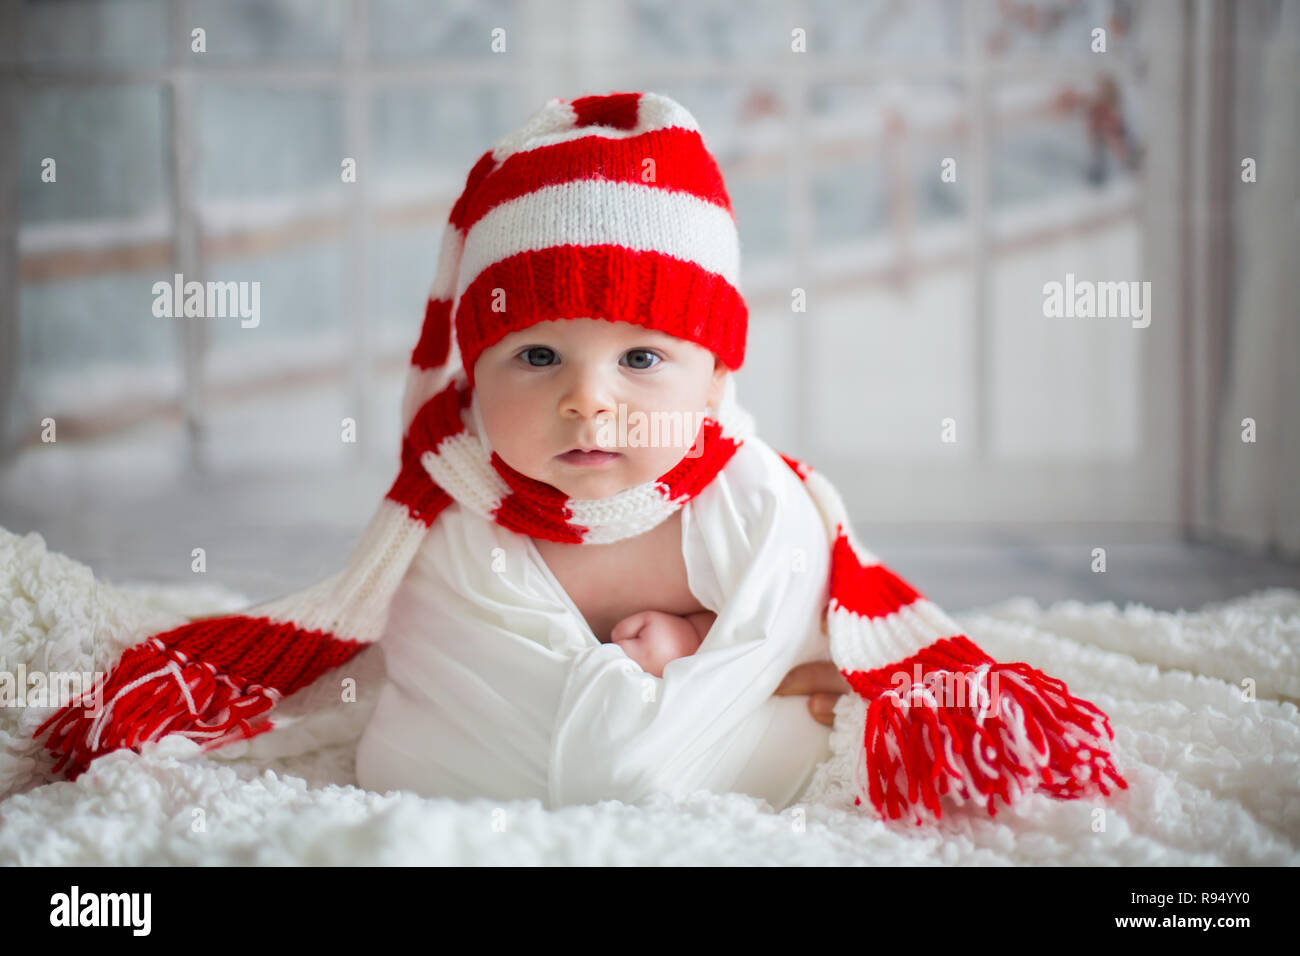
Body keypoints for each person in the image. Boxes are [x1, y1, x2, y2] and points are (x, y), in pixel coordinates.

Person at [36, 91, 1124, 825]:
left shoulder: (752, 509)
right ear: (474, 376)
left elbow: (804, 656)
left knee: (803, 720)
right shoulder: (456, 522)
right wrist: (672, 672)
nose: (586, 397)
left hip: (692, 696)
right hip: (496, 746)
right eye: (539, 352)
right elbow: (450, 724)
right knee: (429, 758)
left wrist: (706, 655)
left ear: (715, 379)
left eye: (642, 355)